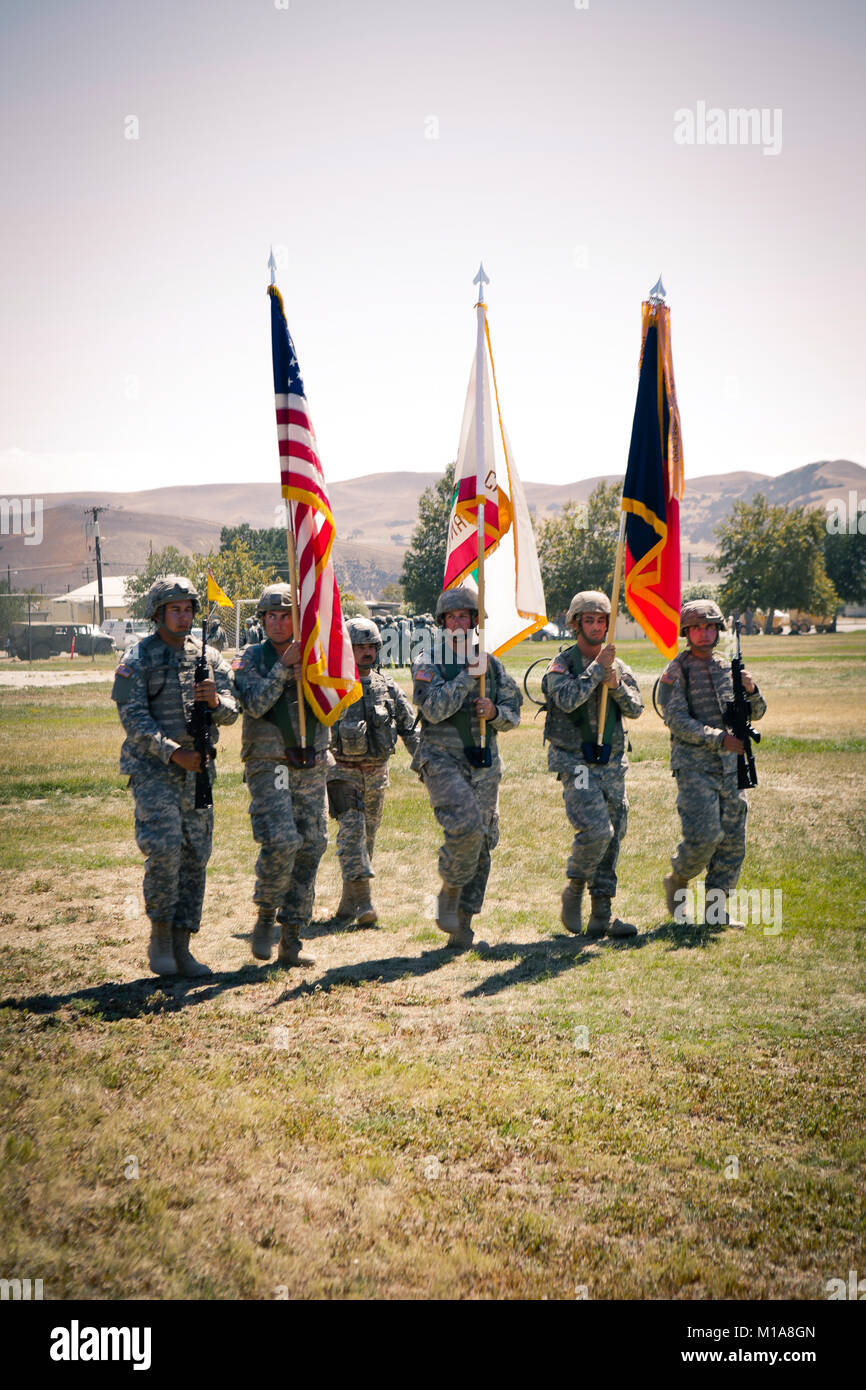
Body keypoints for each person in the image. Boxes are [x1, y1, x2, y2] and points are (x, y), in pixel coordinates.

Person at [111, 576, 238, 978]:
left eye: (188, 610)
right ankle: (161, 938)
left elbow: (233, 712)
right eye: (175, 610)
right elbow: (133, 720)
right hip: (154, 771)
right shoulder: (138, 659)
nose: (184, 618)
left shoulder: (209, 658)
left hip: (198, 772)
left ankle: (183, 946)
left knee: (195, 856)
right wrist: (173, 753)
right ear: (158, 614)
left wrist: (215, 699)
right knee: (165, 849)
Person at [411, 587, 522, 949]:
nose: (459, 623)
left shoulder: (493, 664)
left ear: (475, 622)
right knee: (465, 827)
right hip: (442, 760)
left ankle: (463, 922)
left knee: (484, 840)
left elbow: (513, 712)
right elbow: (433, 710)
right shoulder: (428, 661)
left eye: (465, 616)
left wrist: (495, 713)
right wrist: (465, 678)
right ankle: (450, 888)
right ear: (442, 623)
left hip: (484, 764)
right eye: (452, 617)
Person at [230, 584, 329, 967]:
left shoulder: (317, 654)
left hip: (311, 761)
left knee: (312, 843)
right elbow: (254, 703)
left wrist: (312, 671)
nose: (278, 622)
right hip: (269, 764)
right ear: (261, 620)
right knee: (283, 840)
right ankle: (265, 915)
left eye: (286, 615)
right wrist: (283, 668)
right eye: (271, 616)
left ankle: (292, 938)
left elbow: (337, 697)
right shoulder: (250, 658)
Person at [658, 599, 767, 927]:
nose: (704, 633)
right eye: (696, 628)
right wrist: (717, 738)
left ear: (717, 630)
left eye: (709, 627)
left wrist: (752, 689)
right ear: (686, 633)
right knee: (705, 835)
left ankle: (716, 912)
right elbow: (675, 719)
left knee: (733, 840)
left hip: (732, 766)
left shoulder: (729, 669)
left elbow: (757, 713)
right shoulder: (677, 671)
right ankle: (678, 877)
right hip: (695, 766)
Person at [542, 590, 644, 939]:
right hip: (576, 762)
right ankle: (573, 890)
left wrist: (615, 685)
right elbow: (567, 699)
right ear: (575, 624)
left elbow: (636, 709)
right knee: (598, 831)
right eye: (590, 620)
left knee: (615, 837)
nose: (598, 626)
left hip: (612, 764)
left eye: (603, 620)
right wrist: (596, 671)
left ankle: (602, 913)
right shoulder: (562, 665)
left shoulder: (618, 666)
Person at [327, 617, 419, 926]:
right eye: (359, 647)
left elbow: (409, 729)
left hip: (377, 775)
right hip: (341, 772)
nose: (366, 652)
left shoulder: (387, 687)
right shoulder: (332, 687)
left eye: (371, 646)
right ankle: (364, 902)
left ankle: (346, 904)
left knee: (365, 840)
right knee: (352, 835)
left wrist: (425, 763)